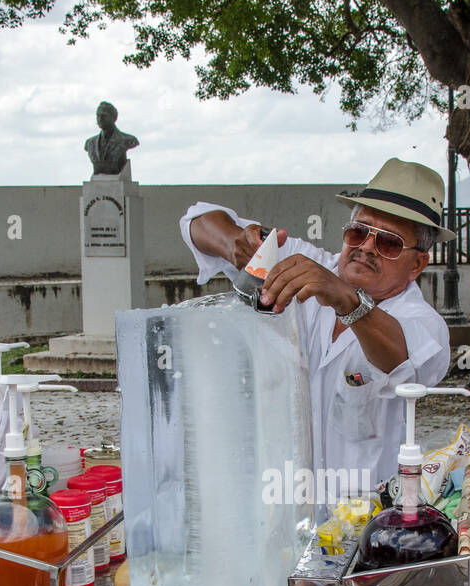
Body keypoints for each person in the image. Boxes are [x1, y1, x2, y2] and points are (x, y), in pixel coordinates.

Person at [181, 158, 453, 492]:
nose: (366, 247)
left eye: (389, 243)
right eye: (359, 232)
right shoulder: (302, 264)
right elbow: (197, 220)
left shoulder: (423, 323)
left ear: (417, 264)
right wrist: (236, 244)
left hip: (358, 521)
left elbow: (402, 360)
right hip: (277, 501)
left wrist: (347, 300)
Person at [84, 102, 139, 176]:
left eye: (104, 116)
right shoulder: (90, 143)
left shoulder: (127, 140)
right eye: (98, 116)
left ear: (114, 118)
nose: (100, 119)